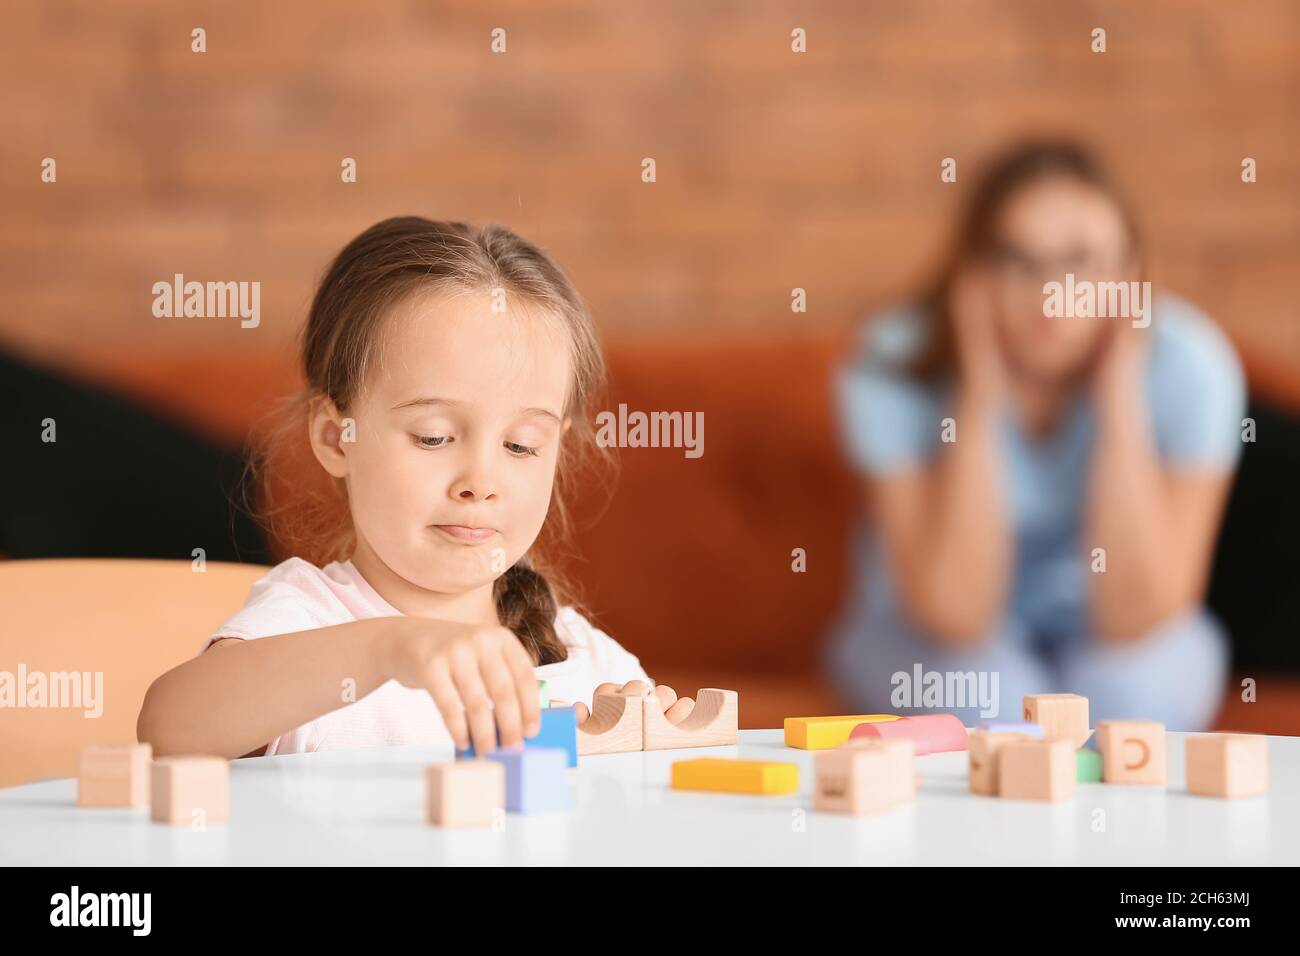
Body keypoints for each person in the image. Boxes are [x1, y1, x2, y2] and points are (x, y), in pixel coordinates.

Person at [139, 217, 689, 758]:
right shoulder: (309, 620)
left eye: (521, 445)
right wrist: (389, 647)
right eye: (433, 437)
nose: (481, 482)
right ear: (337, 437)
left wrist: (636, 750)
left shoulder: (584, 661)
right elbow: (169, 728)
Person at [826, 142, 1246, 730]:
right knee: (991, 706)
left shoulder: (1192, 366)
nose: (1052, 293)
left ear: (1130, 273)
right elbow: (955, 613)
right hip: (924, 632)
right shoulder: (890, 365)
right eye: (1020, 261)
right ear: (973, 273)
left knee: (1133, 706)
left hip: (1109, 634)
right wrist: (977, 391)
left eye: (1081, 260)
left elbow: (1138, 616)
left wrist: (1118, 394)